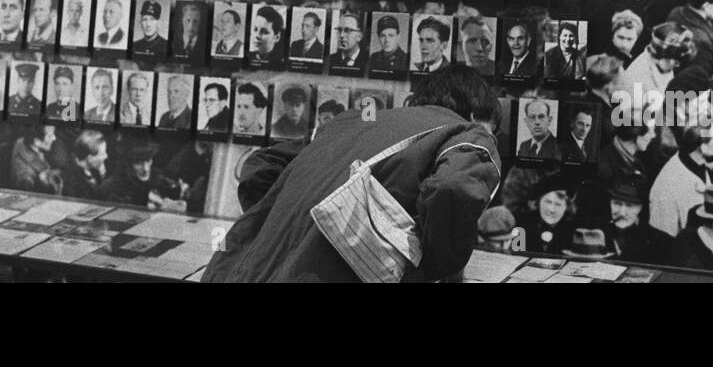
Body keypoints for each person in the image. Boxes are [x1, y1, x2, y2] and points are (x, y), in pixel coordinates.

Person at [203, 65, 501, 282]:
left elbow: (260, 166)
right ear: (476, 116)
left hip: (235, 271)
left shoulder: (345, 122)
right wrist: (436, 267)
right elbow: (455, 186)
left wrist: (283, 223)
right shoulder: (467, 132)